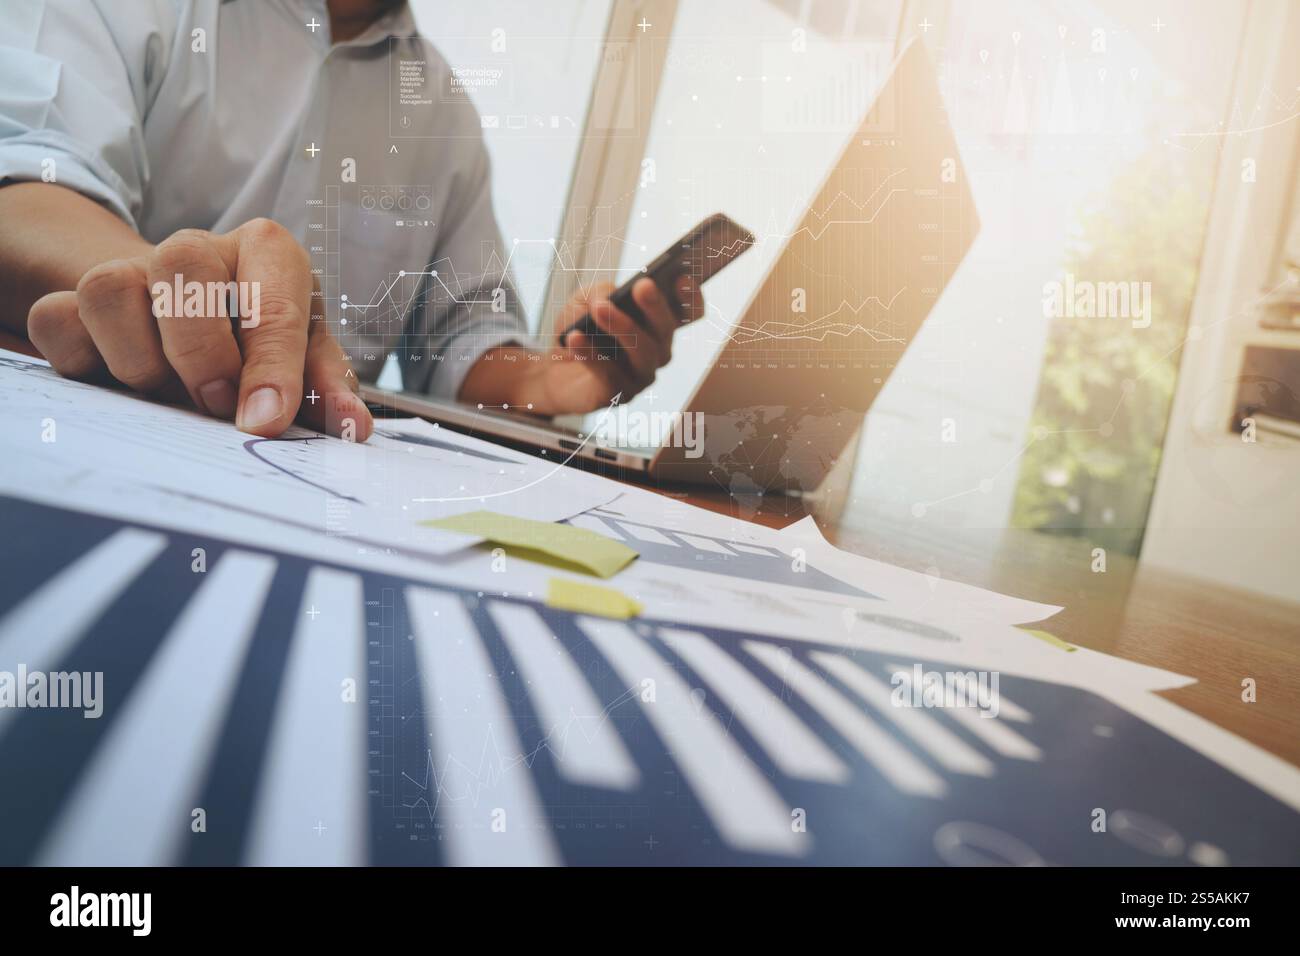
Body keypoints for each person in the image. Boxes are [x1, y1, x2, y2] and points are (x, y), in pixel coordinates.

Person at [0, 0, 699, 442]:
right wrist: (182, 291)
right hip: (92, 431)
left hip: (315, 472)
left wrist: (551, 382)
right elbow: (26, 179)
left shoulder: (443, 114)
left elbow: (461, 336)